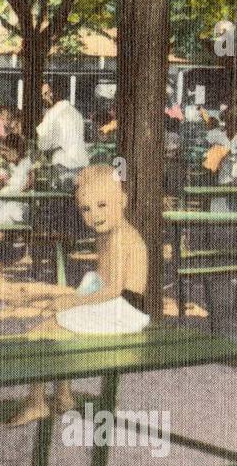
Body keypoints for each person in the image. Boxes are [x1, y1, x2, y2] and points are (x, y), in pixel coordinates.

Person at [9, 165, 149, 425]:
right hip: (113, 303)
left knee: (42, 334)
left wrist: (73, 301)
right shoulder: (107, 234)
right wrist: (67, 301)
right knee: (56, 324)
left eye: (102, 205)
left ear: (123, 200)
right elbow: (101, 283)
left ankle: (37, 402)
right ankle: (63, 395)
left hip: (124, 310)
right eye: (86, 209)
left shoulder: (120, 237)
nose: (95, 215)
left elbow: (114, 288)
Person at [36, 80, 90, 183]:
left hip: (65, 165)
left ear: (54, 92)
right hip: (82, 163)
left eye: (46, 93)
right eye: (43, 95)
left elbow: (42, 143)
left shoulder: (54, 113)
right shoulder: (74, 111)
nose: (43, 97)